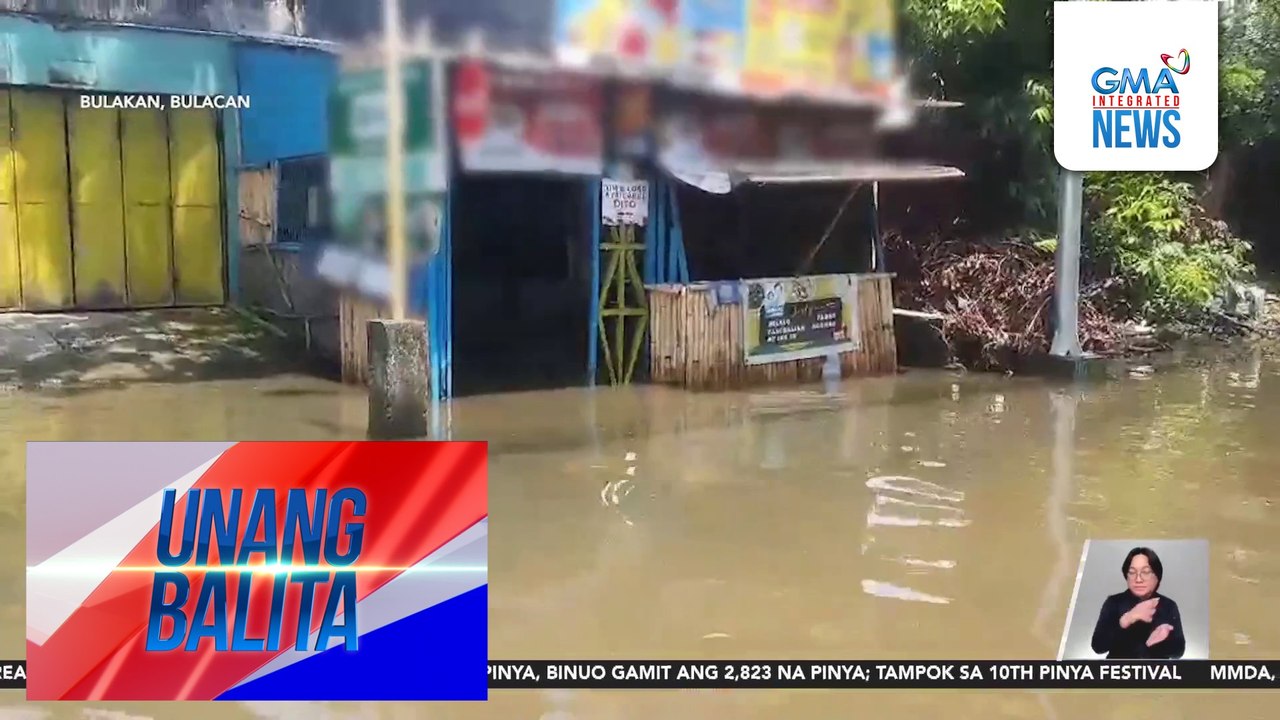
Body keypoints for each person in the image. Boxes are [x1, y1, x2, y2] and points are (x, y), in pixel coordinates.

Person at [1090, 547, 1186, 659]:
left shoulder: (1168, 605)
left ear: (1157, 576)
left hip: (1155, 673)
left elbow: (1179, 651)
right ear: (1126, 576)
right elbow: (1098, 647)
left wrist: (1158, 641)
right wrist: (1127, 618)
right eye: (1132, 572)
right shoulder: (1114, 602)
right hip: (1119, 674)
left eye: (1145, 572)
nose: (1138, 579)